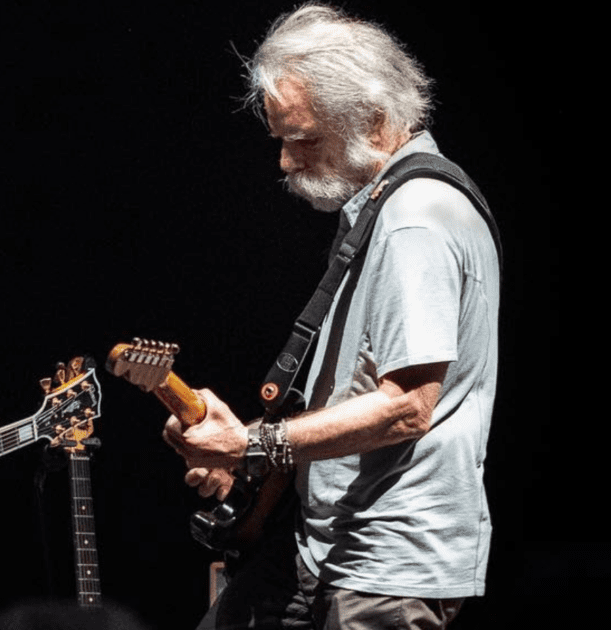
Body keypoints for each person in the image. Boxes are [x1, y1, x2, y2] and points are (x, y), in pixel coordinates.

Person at [163, 5, 499, 629]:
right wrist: (248, 444)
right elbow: (363, 386)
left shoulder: (414, 218)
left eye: (304, 139)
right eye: (281, 140)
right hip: (326, 549)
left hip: (383, 566)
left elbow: (406, 405)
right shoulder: (388, 206)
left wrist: (252, 442)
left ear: (373, 121)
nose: (286, 163)